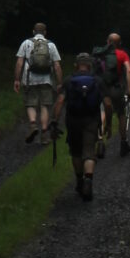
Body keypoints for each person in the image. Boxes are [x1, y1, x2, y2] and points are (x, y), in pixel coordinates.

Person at [55, 47, 104, 200]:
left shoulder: (69, 80)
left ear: (76, 65)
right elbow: (107, 104)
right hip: (91, 119)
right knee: (89, 150)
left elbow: (60, 101)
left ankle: (79, 180)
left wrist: (54, 120)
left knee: (76, 152)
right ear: (90, 65)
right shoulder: (97, 80)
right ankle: (89, 179)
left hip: (73, 120)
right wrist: (106, 123)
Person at [14, 22, 62, 144]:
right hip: (46, 80)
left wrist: (17, 79)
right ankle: (44, 133)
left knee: (30, 104)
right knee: (45, 105)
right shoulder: (51, 45)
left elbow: (19, 63)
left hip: (29, 79)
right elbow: (57, 65)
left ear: (33, 31)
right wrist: (59, 82)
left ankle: (33, 124)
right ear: (45, 32)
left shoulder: (26, 43)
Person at [99, 31, 130, 157]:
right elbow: (129, 71)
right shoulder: (122, 54)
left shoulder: (101, 53)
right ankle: (123, 143)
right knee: (121, 114)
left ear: (107, 41)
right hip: (116, 88)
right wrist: (129, 90)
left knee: (102, 112)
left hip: (102, 88)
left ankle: (100, 141)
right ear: (119, 43)